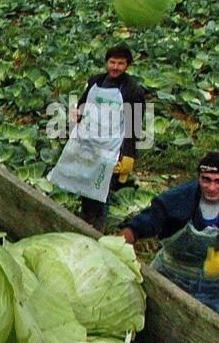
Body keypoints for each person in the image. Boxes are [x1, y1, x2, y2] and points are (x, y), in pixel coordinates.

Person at [121, 151, 219, 326]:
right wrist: (121, 242)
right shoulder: (180, 197)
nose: (211, 188)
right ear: (199, 177)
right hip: (170, 277)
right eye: (206, 179)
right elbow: (143, 223)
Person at [48, 44, 150, 230]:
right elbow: (84, 102)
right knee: (84, 182)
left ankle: (97, 229)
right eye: (112, 62)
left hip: (112, 147)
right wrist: (77, 114)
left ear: (127, 65)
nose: (115, 67)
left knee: (100, 188)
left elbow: (133, 125)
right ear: (106, 62)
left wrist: (128, 155)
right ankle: (83, 220)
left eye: (121, 63)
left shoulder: (132, 90)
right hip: (88, 141)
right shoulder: (95, 81)